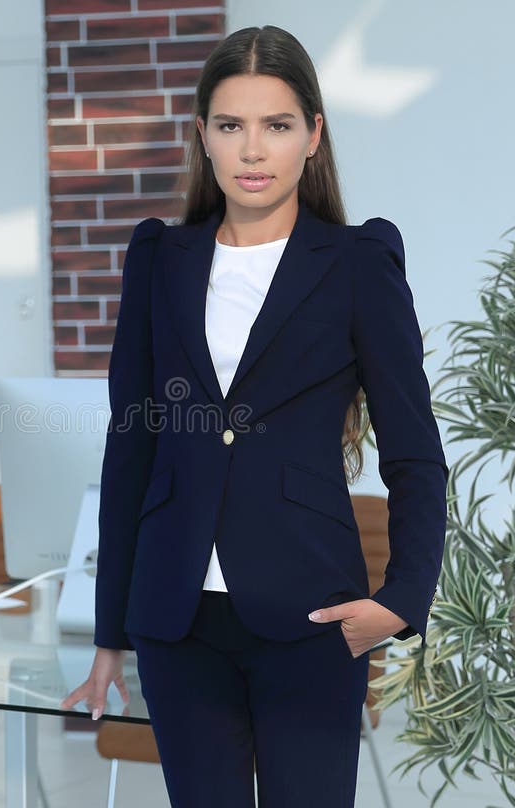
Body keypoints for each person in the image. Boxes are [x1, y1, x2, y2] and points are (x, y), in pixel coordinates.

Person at [62, 26, 447, 808]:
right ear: (202, 136)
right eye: (231, 125)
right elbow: (129, 447)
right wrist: (110, 631)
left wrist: (403, 600)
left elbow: (414, 451)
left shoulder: (357, 262)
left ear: (313, 135)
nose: (252, 149)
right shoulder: (157, 259)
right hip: (178, 621)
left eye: (276, 125)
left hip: (313, 614)